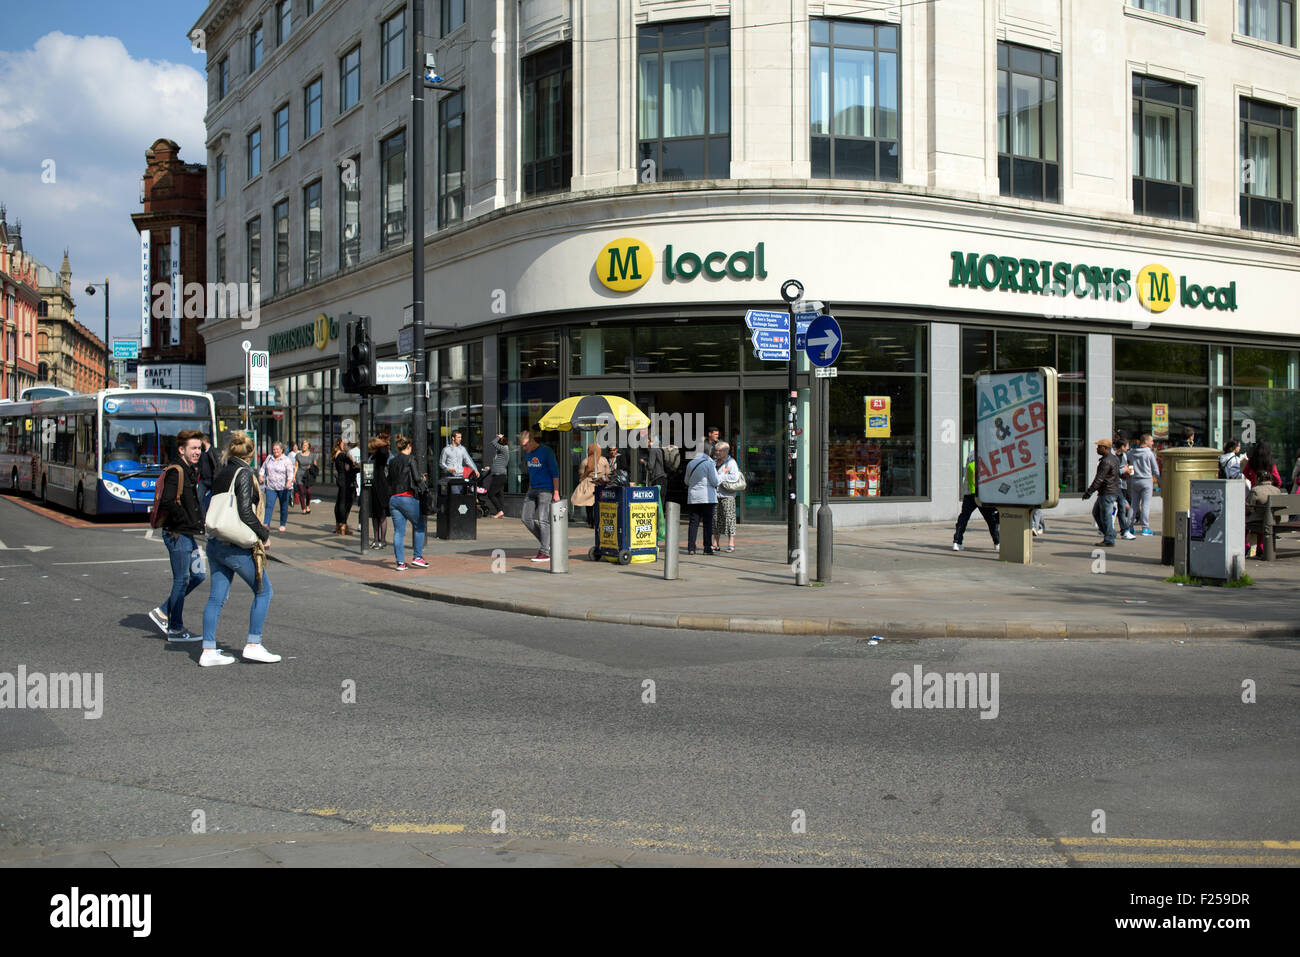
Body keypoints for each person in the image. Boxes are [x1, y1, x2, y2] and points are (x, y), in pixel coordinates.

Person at [200, 431, 278, 667]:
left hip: (215, 542)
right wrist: (264, 534)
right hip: (234, 545)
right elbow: (245, 512)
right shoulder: (244, 473)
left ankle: (208, 650)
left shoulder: (222, 471)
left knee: (216, 598)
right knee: (264, 591)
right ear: (251, 453)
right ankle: (254, 644)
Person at [148, 429, 206, 643]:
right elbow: (167, 501)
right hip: (177, 534)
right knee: (181, 580)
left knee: (199, 576)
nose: (197, 452)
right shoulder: (176, 471)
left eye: (199, 448)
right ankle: (175, 627)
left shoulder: (190, 469)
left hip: (187, 534)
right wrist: (185, 520)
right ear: (182, 449)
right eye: (193, 448)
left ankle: (163, 611)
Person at [387, 434, 428, 571]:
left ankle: (400, 563)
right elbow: (416, 478)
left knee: (399, 532)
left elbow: (389, 480)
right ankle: (417, 557)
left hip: (394, 499)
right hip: (407, 497)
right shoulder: (411, 459)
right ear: (408, 446)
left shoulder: (392, 461)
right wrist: (423, 480)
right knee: (420, 525)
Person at [519, 429, 560, 563]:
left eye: (525, 445)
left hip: (545, 490)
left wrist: (556, 492)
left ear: (532, 441)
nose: (524, 448)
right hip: (532, 489)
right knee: (526, 518)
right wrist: (530, 486)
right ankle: (546, 542)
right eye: (522, 446)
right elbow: (532, 472)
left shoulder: (546, 452)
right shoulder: (528, 454)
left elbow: (555, 472)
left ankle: (544, 552)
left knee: (543, 520)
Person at [952, 452, 999, 551]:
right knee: (990, 519)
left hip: (969, 493)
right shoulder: (987, 453)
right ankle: (997, 542)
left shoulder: (971, 454)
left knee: (963, 518)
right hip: (983, 493)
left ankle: (957, 542)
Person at [1081, 438, 1121, 547]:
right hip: (1109, 491)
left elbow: (1099, 479)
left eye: (1099, 447)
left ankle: (1109, 539)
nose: (1097, 449)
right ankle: (1110, 533)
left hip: (1107, 492)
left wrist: (1089, 492)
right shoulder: (1113, 459)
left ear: (1106, 448)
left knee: (1105, 516)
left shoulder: (1106, 461)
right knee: (1096, 513)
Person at [684, 449, 719, 555]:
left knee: (693, 523)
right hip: (707, 497)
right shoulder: (709, 464)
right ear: (708, 453)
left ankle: (691, 548)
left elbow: (686, 481)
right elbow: (715, 481)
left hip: (694, 497)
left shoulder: (690, 463)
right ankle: (707, 548)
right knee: (707, 523)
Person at [1246, 471, 1288, 558]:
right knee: (1261, 523)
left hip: (1260, 520)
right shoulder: (1277, 490)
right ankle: (1260, 548)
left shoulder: (1255, 490)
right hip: (1275, 520)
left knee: (1246, 523)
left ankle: (1247, 547)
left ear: (1258, 479)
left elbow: (1249, 507)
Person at [1126, 432, 1161, 535]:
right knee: (1146, 504)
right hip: (1146, 480)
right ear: (1146, 441)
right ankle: (1145, 528)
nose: (1153, 442)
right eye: (1151, 440)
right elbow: (1155, 469)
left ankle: (1129, 527)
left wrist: (1132, 475)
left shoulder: (1131, 452)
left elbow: (1129, 463)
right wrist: (1159, 481)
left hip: (1135, 480)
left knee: (1134, 505)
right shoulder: (1149, 453)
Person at [639, 431, 668, 548]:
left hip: (657, 479)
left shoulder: (652, 450)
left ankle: (658, 530)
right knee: (662, 504)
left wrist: (643, 462)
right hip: (663, 478)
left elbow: (650, 466)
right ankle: (661, 529)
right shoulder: (659, 449)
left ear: (649, 440)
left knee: (657, 505)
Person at [572, 441, 610, 529]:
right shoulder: (604, 460)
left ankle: (590, 521)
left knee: (588, 504)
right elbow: (608, 472)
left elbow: (581, 473)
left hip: (589, 483)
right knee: (599, 504)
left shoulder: (585, 461)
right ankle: (599, 521)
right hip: (601, 483)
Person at [259, 442, 295, 531]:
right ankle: (266, 523)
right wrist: (260, 475)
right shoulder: (269, 458)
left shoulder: (286, 460)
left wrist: (289, 481)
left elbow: (290, 472)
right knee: (269, 506)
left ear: (282, 450)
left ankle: (282, 524)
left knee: (284, 506)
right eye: (274, 449)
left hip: (283, 487)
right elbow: (263, 468)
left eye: (277, 449)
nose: (275, 451)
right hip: (271, 487)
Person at [713, 441, 740, 553]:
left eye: (720, 451)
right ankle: (715, 543)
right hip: (715, 495)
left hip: (727, 495)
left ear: (726, 451)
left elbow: (734, 477)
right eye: (716, 450)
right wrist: (722, 474)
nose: (717, 453)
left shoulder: (731, 462)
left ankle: (731, 543)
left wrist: (721, 476)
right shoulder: (713, 462)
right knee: (715, 519)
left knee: (729, 518)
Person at [368, 434, 391, 549]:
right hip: (372, 485)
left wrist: (382, 442)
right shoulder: (372, 455)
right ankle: (375, 539)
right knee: (374, 515)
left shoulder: (382, 453)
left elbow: (383, 451)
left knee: (381, 514)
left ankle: (383, 540)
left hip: (380, 485)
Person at [333, 438, 358, 535]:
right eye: (345, 442)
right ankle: (343, 524)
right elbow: (353, 463)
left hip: (342, 479)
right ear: (339, 443)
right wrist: (349, 455)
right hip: (346, 481)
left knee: (340, 501)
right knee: (345, 502)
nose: (347, 444)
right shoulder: (342, 454)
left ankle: (339, 524)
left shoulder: (338, 454)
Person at [1114, 435, 1135, 540]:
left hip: (1122, 484)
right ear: (1122, 446)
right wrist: (1124, 470)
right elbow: (1111, 470)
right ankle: (1124, 531)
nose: (1128, 448)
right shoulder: (1112, 456)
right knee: (1121, 508)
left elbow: (1126, 467)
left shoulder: (1124, 456)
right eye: (1127, 446)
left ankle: (1105, 528)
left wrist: (1128, 471)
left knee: (1118, 508)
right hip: (1113, 485)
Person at [484, 433, 509, 518]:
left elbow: (493, 443)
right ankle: (501, 512)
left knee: (490, 494)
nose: (498, 442)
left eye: (500, 441)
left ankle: (500, 511)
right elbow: (498, 464)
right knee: (499, 494)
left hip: (499, 476)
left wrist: (498, 437)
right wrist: (490, 468)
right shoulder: (500, 452)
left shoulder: (504, 448)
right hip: (498, 475)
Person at [294, 440, 319, 514]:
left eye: (305, 445)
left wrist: (311, 467)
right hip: (300, 475)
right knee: (301, 492)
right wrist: (294, 476)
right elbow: (296, 466)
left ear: (308, 446)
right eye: (303, 445)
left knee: (309, 492)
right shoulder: (298, 455)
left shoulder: (312, 455)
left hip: (309, 475)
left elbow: (315, 466)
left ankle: (308, 505)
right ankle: (303, 508)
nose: (304, 446)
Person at [196, 433, 219, 513]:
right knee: (199, 498)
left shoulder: (213, 451)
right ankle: (203, 518)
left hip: (213, 480)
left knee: (214, 500)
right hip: (203, 480)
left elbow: (218, 465)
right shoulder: (202, 452)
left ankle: (212, 517)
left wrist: (217, 477)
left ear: (204, 441)